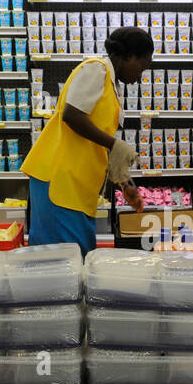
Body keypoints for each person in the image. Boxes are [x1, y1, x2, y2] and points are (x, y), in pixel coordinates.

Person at [21, 26, 153, 253]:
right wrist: (115, 144)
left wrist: (125, 183)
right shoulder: (96, 69)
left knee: (74, 259)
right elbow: (71, 115)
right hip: (59, 180)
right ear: (129, 56)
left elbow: (97, 141)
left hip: (76, 184)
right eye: (142, 67)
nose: (140, 76)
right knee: (61, 262)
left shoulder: (112, 85)